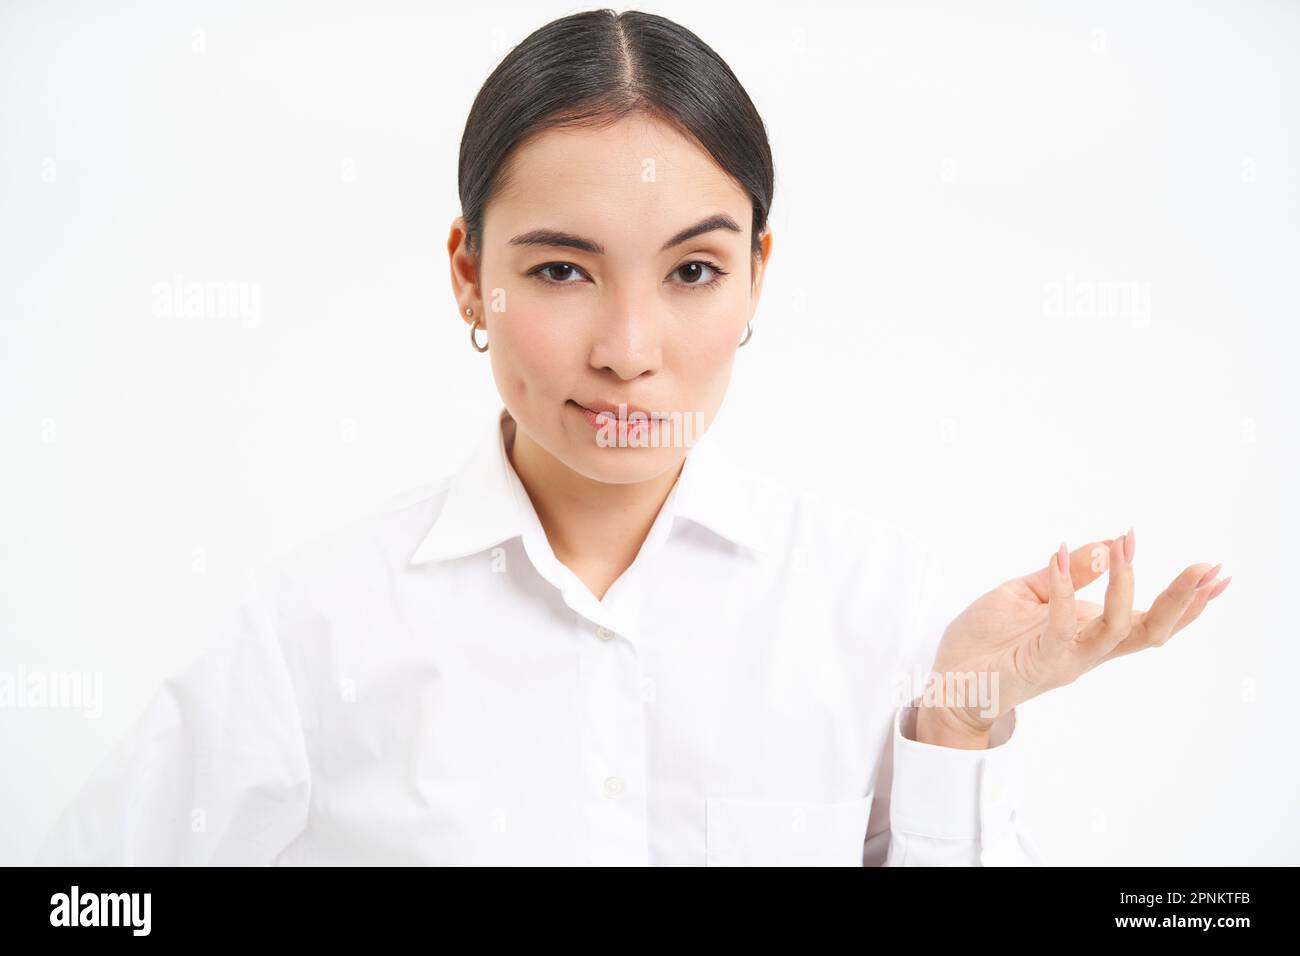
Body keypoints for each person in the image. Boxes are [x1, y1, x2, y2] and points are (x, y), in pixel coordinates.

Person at [32, 8, 1230, 867]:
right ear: (468, 275)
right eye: (560, 268)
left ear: (757, 277)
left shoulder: (879, 611)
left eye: (693, 269)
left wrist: (956, 721)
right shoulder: (313, 628)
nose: (627, 346)